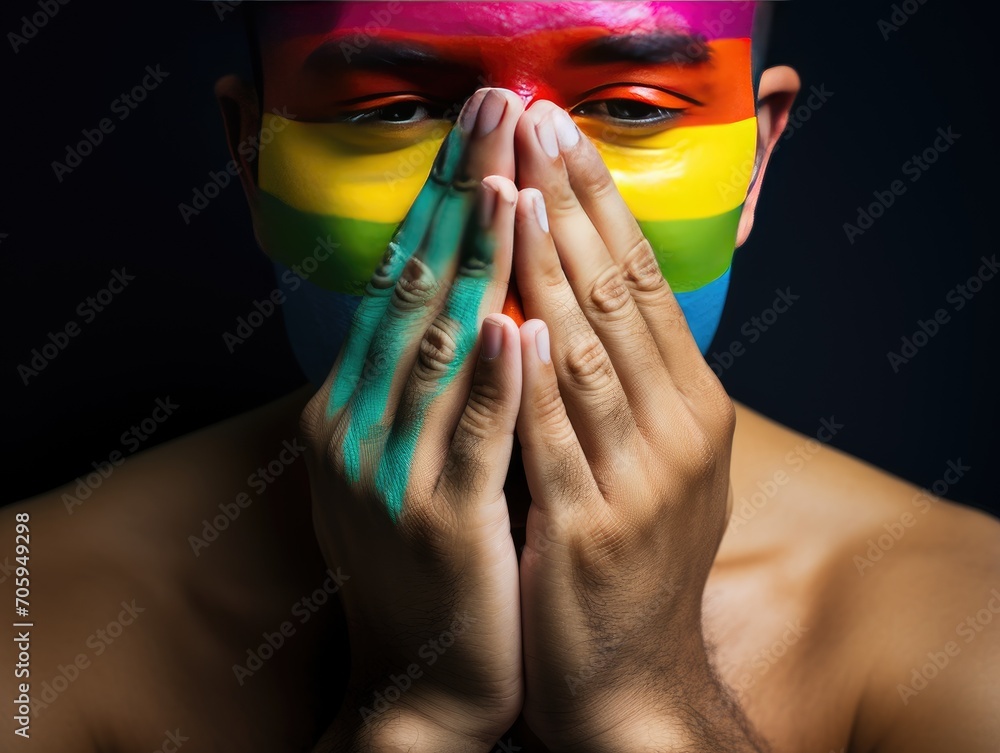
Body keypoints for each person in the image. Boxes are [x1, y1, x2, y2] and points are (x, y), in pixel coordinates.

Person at [3, 2, 998, 751]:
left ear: (754, 167)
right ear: (250, 160)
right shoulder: (36, 614)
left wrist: (650, 702)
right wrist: (413, 717)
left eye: (626, 106)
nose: (514, 194)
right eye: (392, 111)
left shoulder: (969, 625)